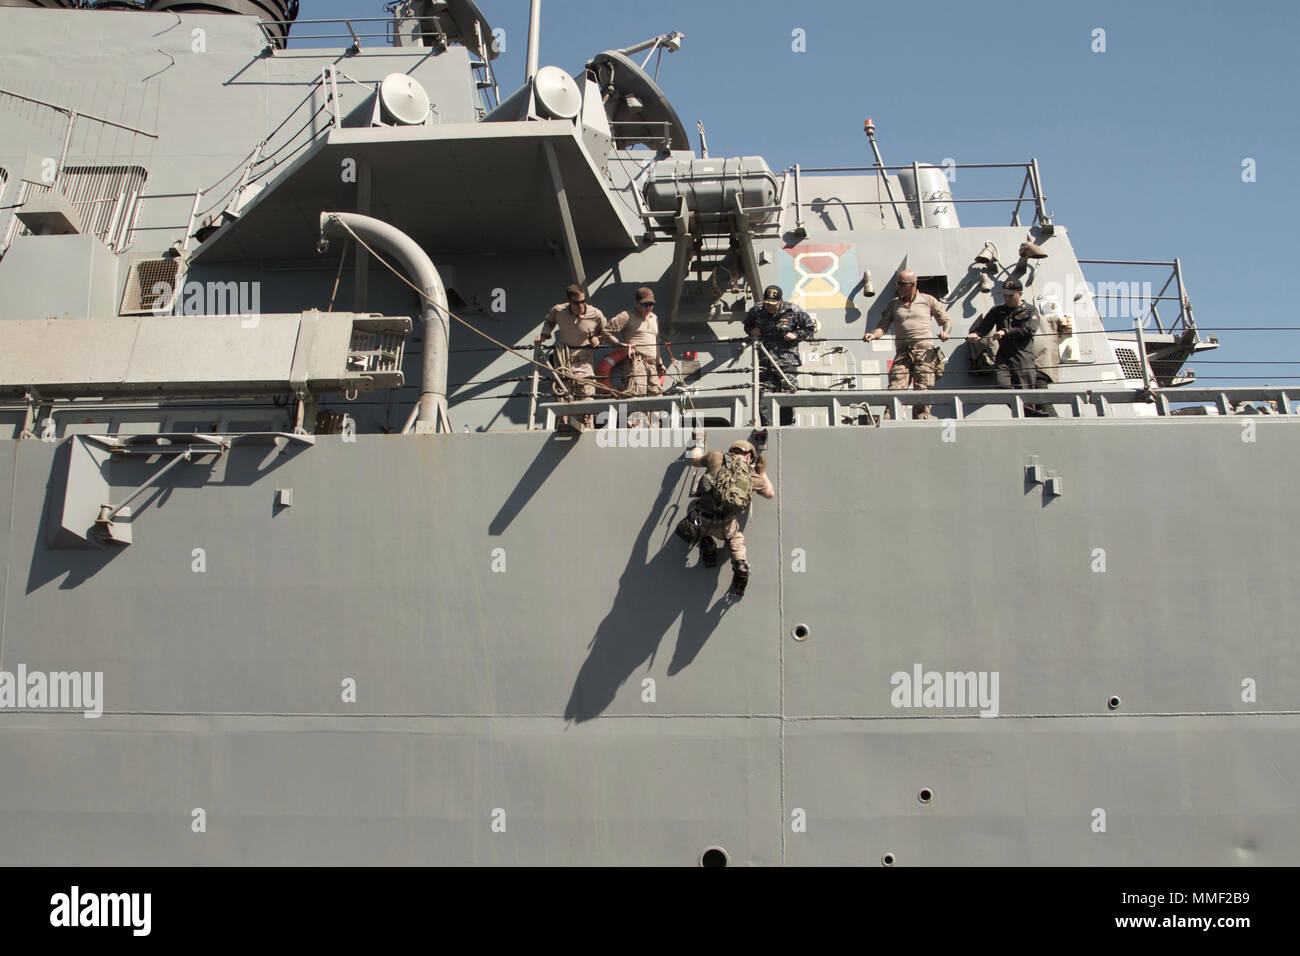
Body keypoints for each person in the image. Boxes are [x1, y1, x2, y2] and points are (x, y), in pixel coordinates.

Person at [676, 435, 774, 597]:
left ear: (732, 451)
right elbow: (769, 493)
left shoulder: (715, 456)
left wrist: (698, 441)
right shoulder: (752, 475)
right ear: (749, 456)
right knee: (736, 539)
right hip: (726, 524)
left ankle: (706, 543)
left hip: (702, 520)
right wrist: (762, 472)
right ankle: (740, 564)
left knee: (693, 507)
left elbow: (695, 460)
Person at [864, 269, 950, 419]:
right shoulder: (894, 304)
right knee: (895, 388)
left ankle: (921, 425)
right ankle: (892, 422)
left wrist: (945, 332)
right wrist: (874, 335)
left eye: (902, 284)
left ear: (913, 284)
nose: (899, 286)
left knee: (923, 390)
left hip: (924, 351)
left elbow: (945, 320)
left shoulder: (928, 300)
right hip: (903, 352)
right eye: (898, 283)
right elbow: (882, 326)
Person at [965, 278, 1051, 416]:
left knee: (1026, 392)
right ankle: (1032, 414)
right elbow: (985, 327)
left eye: (1010, 295)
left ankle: (1030, 416)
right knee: (1002, 386)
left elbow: (1029, 329)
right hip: (1004, 355)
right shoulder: (998, 310)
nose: (1007, 297)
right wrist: (976, 334)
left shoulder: (1030, 311)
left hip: (1022, 355)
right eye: (1005, 294)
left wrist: (1006, 332)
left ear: (1020, 293)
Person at [535, 284, 609, 431]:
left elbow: (607, 331)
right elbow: (549, 321)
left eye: (583, 301)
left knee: (587, 401)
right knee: (562, 402)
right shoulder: (559, 311)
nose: (581, 305)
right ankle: (562, 432)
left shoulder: (595, 314)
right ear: (569, 301)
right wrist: (544, 335)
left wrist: (599, 339)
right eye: (576, 303)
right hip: (564, 363)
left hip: (584, 363)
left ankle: (588, 431)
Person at [744, 285, 816, 427]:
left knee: (787, 396)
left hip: (787, 362)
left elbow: (809, 329)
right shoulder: (757, 310)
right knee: (764, 397)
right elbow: (747, 326)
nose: (769, 307)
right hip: (764, 361)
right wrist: (752, 331)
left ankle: (788, 427)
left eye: (773, 304)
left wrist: (796, 334)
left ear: (781, 301)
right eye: (767, 304)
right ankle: (767, 427)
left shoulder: (793, 311)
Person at [605, 286, 666, 399]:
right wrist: (620, 345)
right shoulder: (627, 316)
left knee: (656, 397)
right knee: (636, 396)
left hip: (652, 365)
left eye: (651, 304)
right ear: (637, 303)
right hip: (636, 363)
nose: (649, 307)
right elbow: (605, 332)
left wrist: (660, 363)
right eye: (645, 304)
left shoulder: (654, 318)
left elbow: (656, 343)